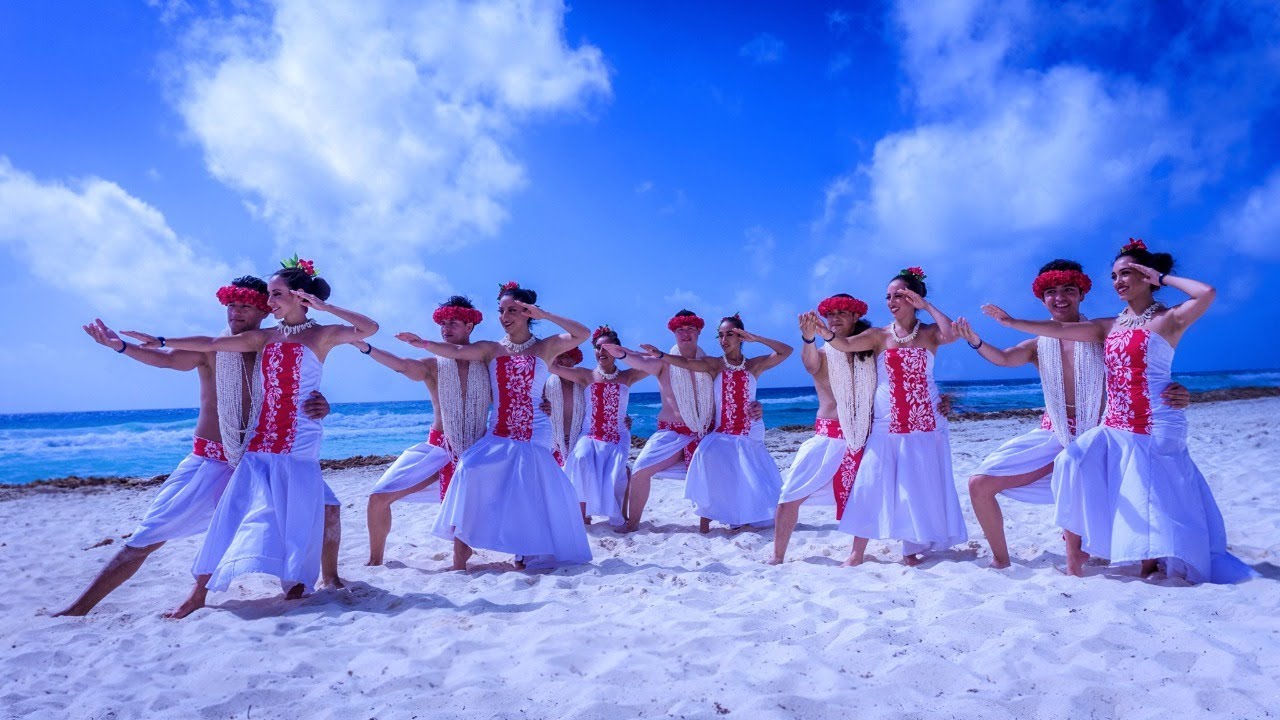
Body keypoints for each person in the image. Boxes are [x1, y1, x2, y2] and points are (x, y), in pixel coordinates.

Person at [54, 277, 332, 616]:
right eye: (231, 305)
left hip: (263, 458)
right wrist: (120, 347)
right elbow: (168, 359)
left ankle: (326, 581)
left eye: (244, 305)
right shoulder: (214, 347)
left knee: (326, 506)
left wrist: (322, 404)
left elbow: (299, 389)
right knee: (148, 535)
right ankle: (79, 607)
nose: (235, 312)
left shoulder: (277, 346)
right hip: (211, 459)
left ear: (266, 309)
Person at [982, 240, 1255, 583]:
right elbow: (1059, 330)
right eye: (1114, 276)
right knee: (1071, 462)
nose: (1118, 281)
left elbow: (1206, 293)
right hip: (1115, 423)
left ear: (1147, 276)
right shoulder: (1109, 325)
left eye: (1126, 273)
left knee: (1149, 494)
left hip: (1156, 421)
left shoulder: (1168, 320)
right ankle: (1077, 551)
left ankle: (1149, 563)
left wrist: (1163, 277)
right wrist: (1012, 322)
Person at [125, 256, 379, 618]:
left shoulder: (323, 334)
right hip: (261, 438)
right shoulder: (265, 337)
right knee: (233, 511)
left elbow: (369, 328)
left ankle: (295, 586)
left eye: (276, 294)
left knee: (298, 517)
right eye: (270, 295)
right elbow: (212, 342)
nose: (270, 301)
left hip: (300, 441)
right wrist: (161, 339)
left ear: (299, 296)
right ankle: (197, 594)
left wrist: (325, 307)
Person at [955, 259, 1189, 569]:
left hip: (1102, 434)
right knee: (979, 484)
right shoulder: (1038, 343)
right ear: (1042, 298)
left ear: (1081, 294)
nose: (1060, 297)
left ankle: (1132, 559)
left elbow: (1141, 368)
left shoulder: (1105, 334)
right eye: (1051, 292)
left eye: (1068, 290)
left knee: (1130, 491)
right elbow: (1002, 358)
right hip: (1054, 433)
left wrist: (1179, 390)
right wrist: (975, 340)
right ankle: (1001, 561)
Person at [398, 281, 592, 570]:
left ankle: (526, 552)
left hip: (534, 431)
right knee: (469, 468)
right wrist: (423, 344)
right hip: (499, 429)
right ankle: (461, 555)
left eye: (512, 310)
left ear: (528, 313)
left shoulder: (546, 347)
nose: (504, 316)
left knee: (526, 486)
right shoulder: (491, 349)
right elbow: (456, 352)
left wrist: (545, 314)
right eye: (501, 310)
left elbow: (583, 334)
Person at [823, 267, 968, 566]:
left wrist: (926, 306)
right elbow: (845, 344)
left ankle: (911, 549)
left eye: (899, 295)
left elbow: (952, 333)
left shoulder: (929, 333)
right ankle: (856, 552)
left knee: (916, 487)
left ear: (914, 297)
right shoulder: (879, 335)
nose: (891, 301)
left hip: (924, 422)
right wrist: (820, 332)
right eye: (888, 297)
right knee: (869, 483)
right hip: (886, 422)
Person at [358, 296, 491, 566]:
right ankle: (375, 562)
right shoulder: (433, 365)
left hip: (477, 451)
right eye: (442, 323)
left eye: (452, 322)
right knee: (379, 498)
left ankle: (461, 562)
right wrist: (366, 347)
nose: (445, 328)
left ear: (470, 325)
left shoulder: (488, 365)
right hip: (439, 448)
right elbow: (402, 364)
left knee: (467, 508)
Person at [638, 314, 793, 533]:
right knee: (707, 457)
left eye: (730, 334)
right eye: (720, 335)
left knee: (750, 475)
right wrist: (662, 355)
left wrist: (755, 338)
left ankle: (744, 515)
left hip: (750, 431)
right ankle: (705, 524)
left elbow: (787, 351)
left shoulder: (754, 366)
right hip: (723, 431)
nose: (723, 340)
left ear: (741, 336)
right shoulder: (715, 365)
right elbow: (687, 363)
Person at [770, 294, 875, 564]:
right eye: (830, 314)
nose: (835, 318)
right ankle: (777, 556)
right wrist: (808, 338)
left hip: (864, 436)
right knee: (788, 497)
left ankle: (856, 555)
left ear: (856, 316)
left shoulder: (871, 351)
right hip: (827, 437)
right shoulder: (820, 354)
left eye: (842, 312)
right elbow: (809, 365)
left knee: (862, 497)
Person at [606, 310, 717, 532]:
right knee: (639, 471)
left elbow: (732, 390)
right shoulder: (662, 362)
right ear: (674, 333)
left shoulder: (710, 364)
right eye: (680, 330)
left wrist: (755, 407)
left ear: (699, 331)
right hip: (671, 434)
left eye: (690, 329)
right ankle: (633, 524)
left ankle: (705, 525)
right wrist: (621, 355)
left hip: (704, 432)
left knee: (713, 470)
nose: (685, 334)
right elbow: (639, 361)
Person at [552, 325, 649, 526]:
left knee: (618, 468)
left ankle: (621, 515)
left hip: (618, 434)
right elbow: (552, 366)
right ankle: (581, 515)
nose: (601, 352)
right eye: (598, 347)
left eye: (607, 348)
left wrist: (626, 354)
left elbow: (653, 362)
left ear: (617, 351)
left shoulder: (628, 376)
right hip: (590, 434)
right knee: (580, 458)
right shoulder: (586, 375)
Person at [545, 347, 586, 469]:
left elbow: (600, 406)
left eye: (565, 356)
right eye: (558, 356)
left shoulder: (585, 384)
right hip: (555, 446)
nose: (560, 360)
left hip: (581, 443)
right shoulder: (546, 385)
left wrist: (623, 418)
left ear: (575, 359)